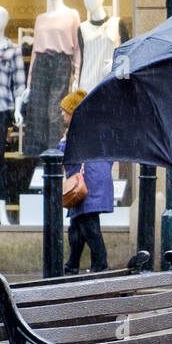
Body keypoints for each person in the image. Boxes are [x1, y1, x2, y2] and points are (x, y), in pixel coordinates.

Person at [57, 89, 113, 274]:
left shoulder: (78, 130)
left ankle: (100, 264)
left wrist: (62, 142)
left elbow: (63, 155)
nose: (62, 114)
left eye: (65, 110)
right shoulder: (94, 127)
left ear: (74, 112)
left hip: (86, 183)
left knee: (88, 225)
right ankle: (73, 264)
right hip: (93, 180)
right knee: (78, 225)